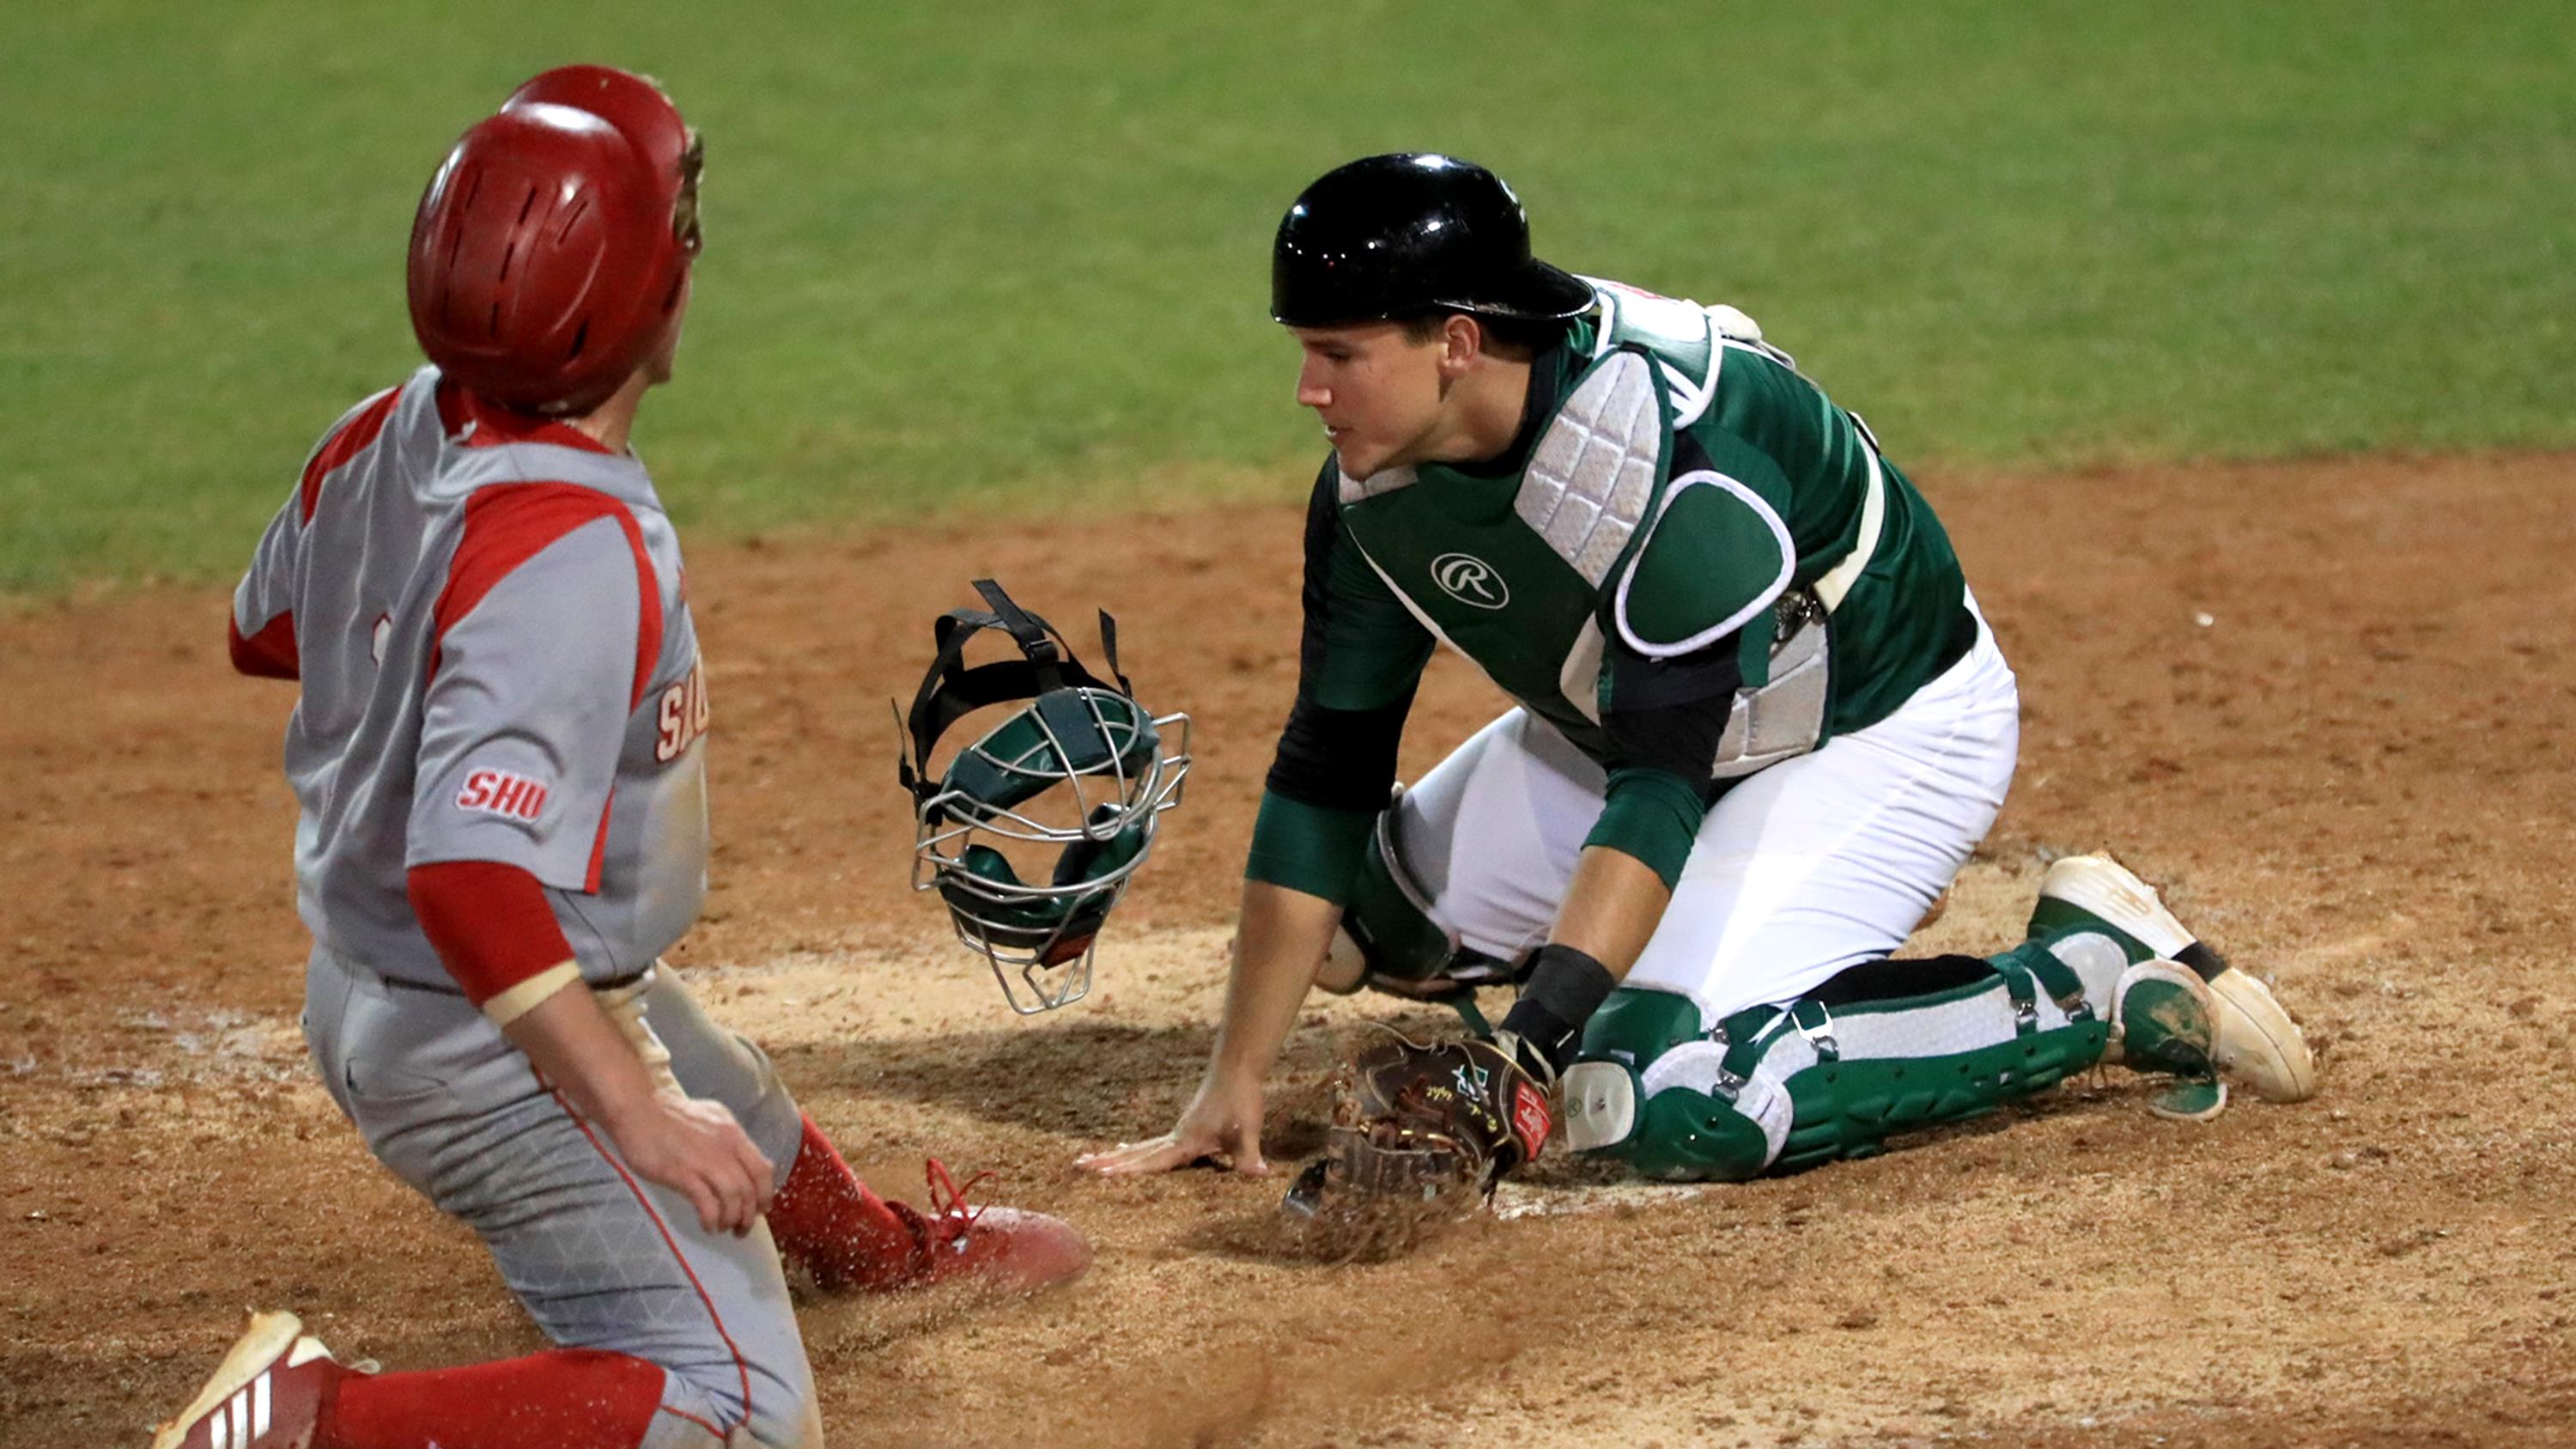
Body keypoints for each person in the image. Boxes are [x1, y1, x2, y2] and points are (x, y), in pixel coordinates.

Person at [1080, 152, 2313, 1195]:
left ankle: (2085, 977)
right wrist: (1229, 1084)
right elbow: (1330, 760)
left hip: (1866, 730)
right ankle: (1754, 944)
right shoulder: (1373, 483)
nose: (1308, 389)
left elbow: (1664, 790)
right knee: (1356, 927)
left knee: (1653, 1096)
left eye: (1339, 354)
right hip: (1633, 727)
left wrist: (1537, 1045)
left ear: (1456, 341)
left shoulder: (1659, 458)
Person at [157, 66, 1085, 1449]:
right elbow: (474, 877)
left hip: (380, 988)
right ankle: (309, 1422)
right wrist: (638, 1115)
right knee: (740, 1416)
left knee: (727, 1087)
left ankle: (878, 1252)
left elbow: (266, 631)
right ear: (654, 294)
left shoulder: (384, 425)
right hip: (484, 1032)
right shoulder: (574, 550)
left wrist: (432, 646)